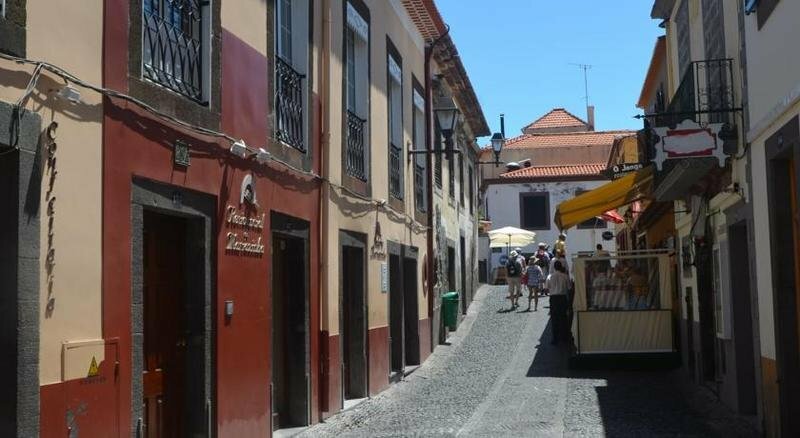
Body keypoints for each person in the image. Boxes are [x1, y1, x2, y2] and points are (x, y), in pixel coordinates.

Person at [545, 260, 571, 345]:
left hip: (553, 298)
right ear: (561, 267)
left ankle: (555, 338)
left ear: (554, 267)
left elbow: (546, 288)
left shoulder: (549, 276)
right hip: (562, 298)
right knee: (563, 317)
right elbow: (569, 287)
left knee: (554, 318)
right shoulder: (565, 276)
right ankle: (564, 337)